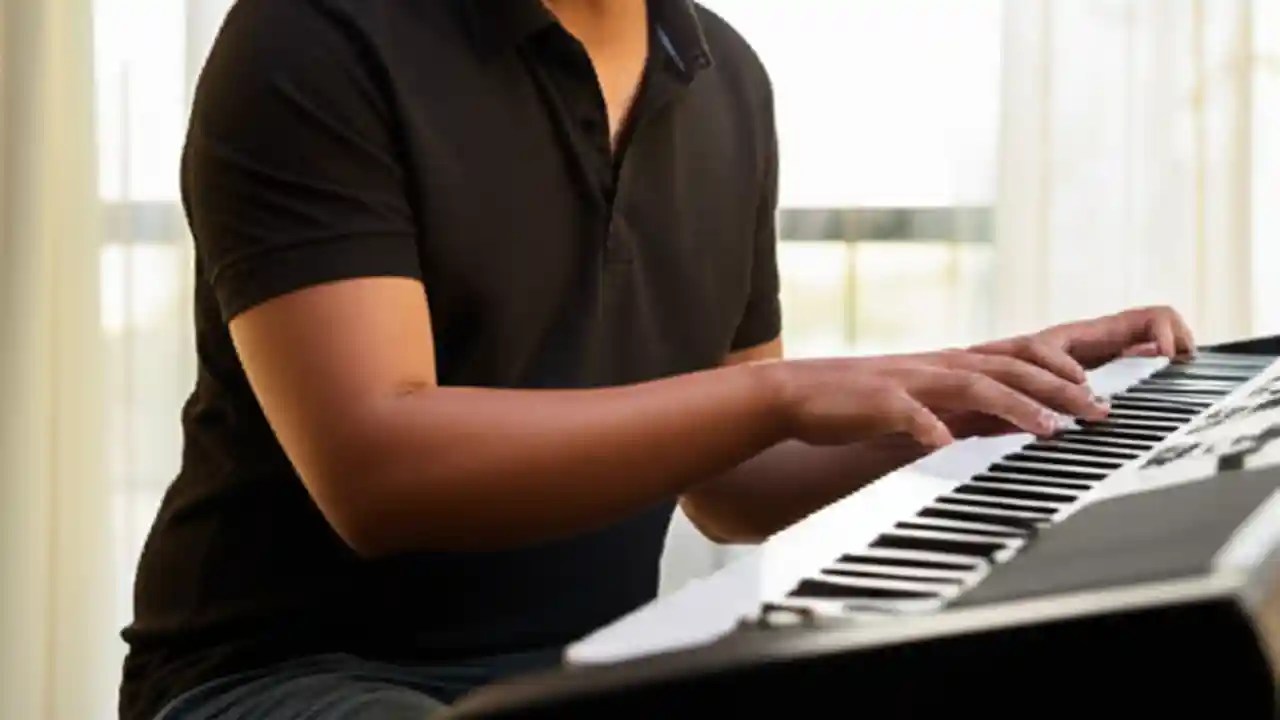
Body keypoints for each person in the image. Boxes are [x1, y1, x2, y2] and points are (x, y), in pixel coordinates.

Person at [117, 0, 1197, 718]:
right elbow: (378, 470)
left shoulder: (725, 75)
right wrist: (778, 394)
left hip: (593, 670)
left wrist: (974, 391)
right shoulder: (314, 38)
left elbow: (729, 488)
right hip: (289, 679)